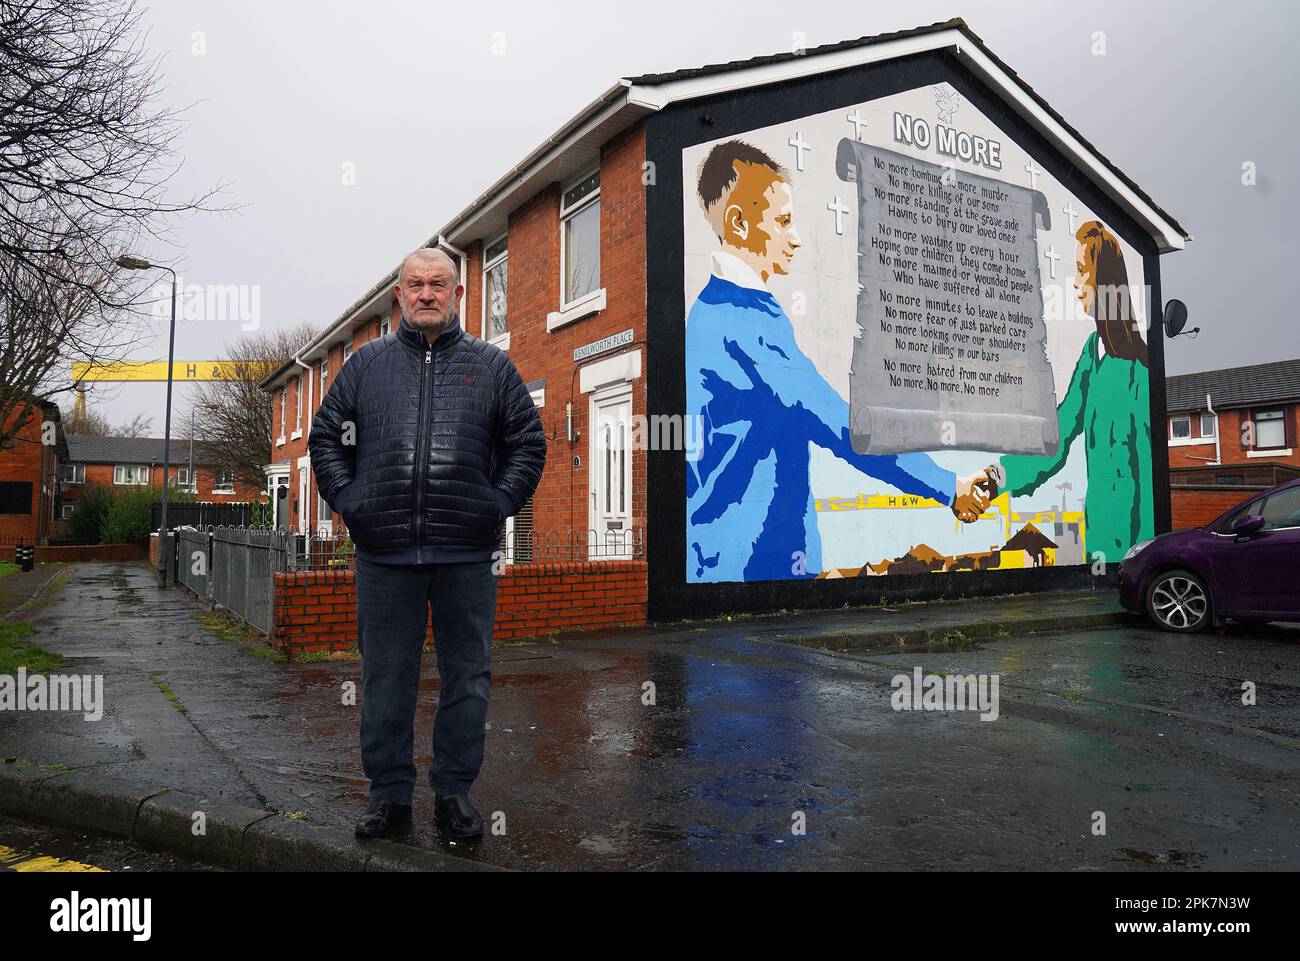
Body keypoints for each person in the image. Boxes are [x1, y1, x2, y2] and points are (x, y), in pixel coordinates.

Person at [308, 247, 546, 840]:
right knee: (387, 678)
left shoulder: (493, 368)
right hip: (384, 555)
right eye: (415, 284)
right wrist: (348, 502)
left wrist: (496, 504)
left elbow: (527, 446)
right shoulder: (365, 367)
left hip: (467, 554)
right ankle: (389, 798)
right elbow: (326, 440)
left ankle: (453, 794)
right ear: (399, 296)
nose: (426, 294)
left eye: (439, 283)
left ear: (459, 294)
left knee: (467, 678)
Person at [685, 140, 990, 582]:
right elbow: (841, 425)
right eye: (784, 221)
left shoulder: (708, 312)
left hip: (717, 562)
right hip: (755, 571)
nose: (797, 238)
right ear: (739, 223)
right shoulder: (746, 323)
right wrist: (948, 487)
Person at [999, 220, 1154, 563]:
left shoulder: (1139, 369)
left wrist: (1148, 559)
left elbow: (1148, 475)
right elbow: (1061, 430)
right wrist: (1000, 476)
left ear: (1106, 281)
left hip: (1132, 548)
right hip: (1097, 540)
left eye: (1083, 272)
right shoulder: (1091, 352)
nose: (1076, 284)